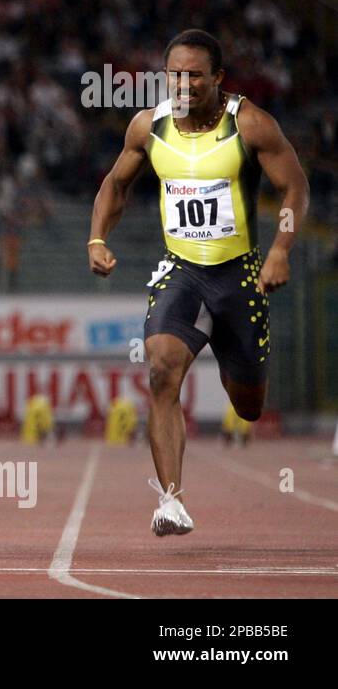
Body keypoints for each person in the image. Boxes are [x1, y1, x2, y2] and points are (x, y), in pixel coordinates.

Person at [88, 29, 309, 536]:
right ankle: (171, 501)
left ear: (218, 78)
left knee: (248, 405)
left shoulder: (249, 124)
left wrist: (280, 249)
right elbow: (115, 184)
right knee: (162, 369)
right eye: (174, 75)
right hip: (181, 271)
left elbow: (294, 186)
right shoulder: (149, 126)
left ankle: (241, 373)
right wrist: (97, 239)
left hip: (240, 277)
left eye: (194, 76)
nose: (183, 85)